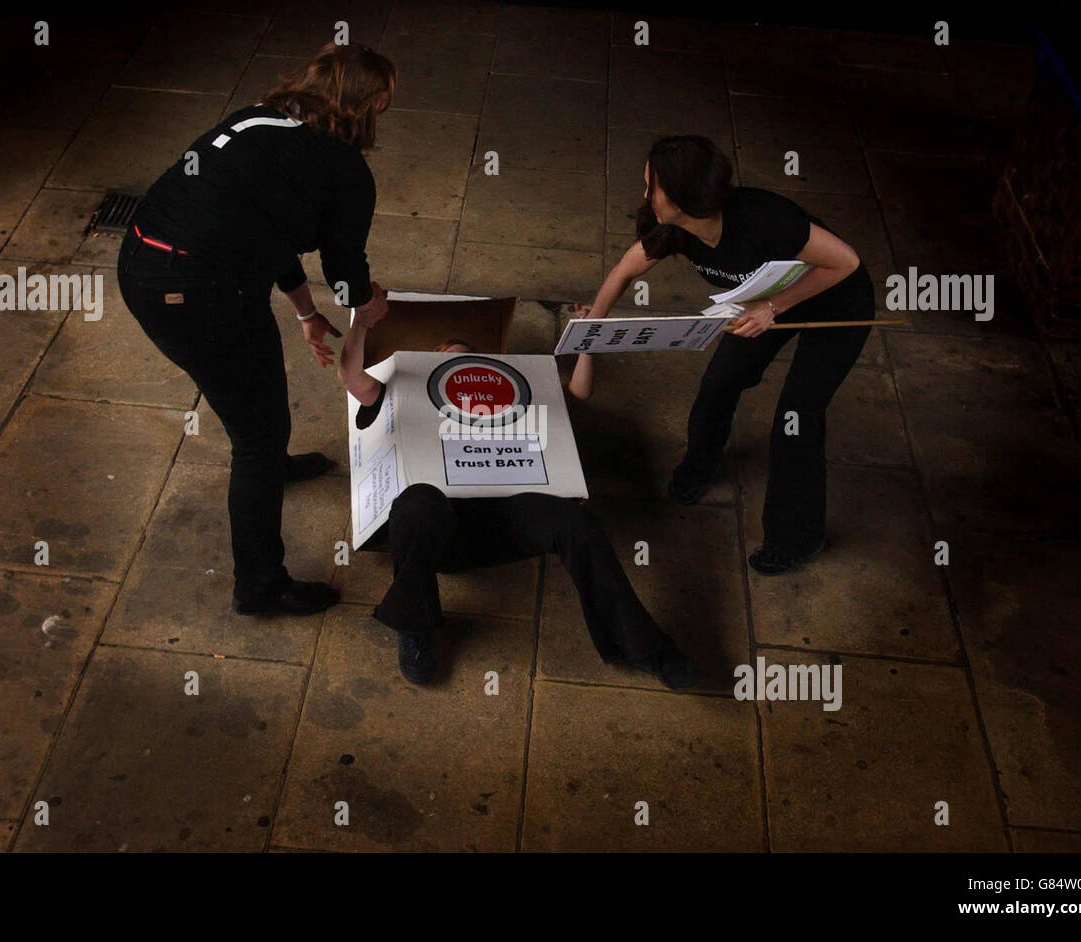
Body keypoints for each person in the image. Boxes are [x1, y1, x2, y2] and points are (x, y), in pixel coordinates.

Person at [116, 43, 395, 616]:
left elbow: (263, 229)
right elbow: (345, 275)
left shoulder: (255, 120)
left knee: (253, 410)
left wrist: (303, 312)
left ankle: (271, 462)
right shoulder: (346, 171)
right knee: (258, 436)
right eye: (384, 104)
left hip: (143, 266)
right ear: (365, 107)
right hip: (200, 294)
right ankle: (261, 585)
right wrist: (367, 306)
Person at [574, 135, 875, 575]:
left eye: (651, 186)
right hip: (765, 297)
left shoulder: (766, 218)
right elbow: (625, 270)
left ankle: (795, 539)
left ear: (683, 194)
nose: (644, 196)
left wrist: (773, 309)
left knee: (798, 414)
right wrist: (590, 331)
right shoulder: (674, 228)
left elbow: (845, 262)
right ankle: (697, 469)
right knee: (721, 380)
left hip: (834, 297)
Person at [337, 321, 698, 688]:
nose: (463, 366)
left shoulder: (512, 396)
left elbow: (576, 395)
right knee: (416, 502)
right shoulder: (407, 389)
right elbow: (352, 379)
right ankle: (414, 627)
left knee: (576, 523)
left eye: (472, 358)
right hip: (436, 527)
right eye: (449, 358)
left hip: (503, 520)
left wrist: (589, 344)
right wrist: (363, 322)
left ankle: (643, 647)